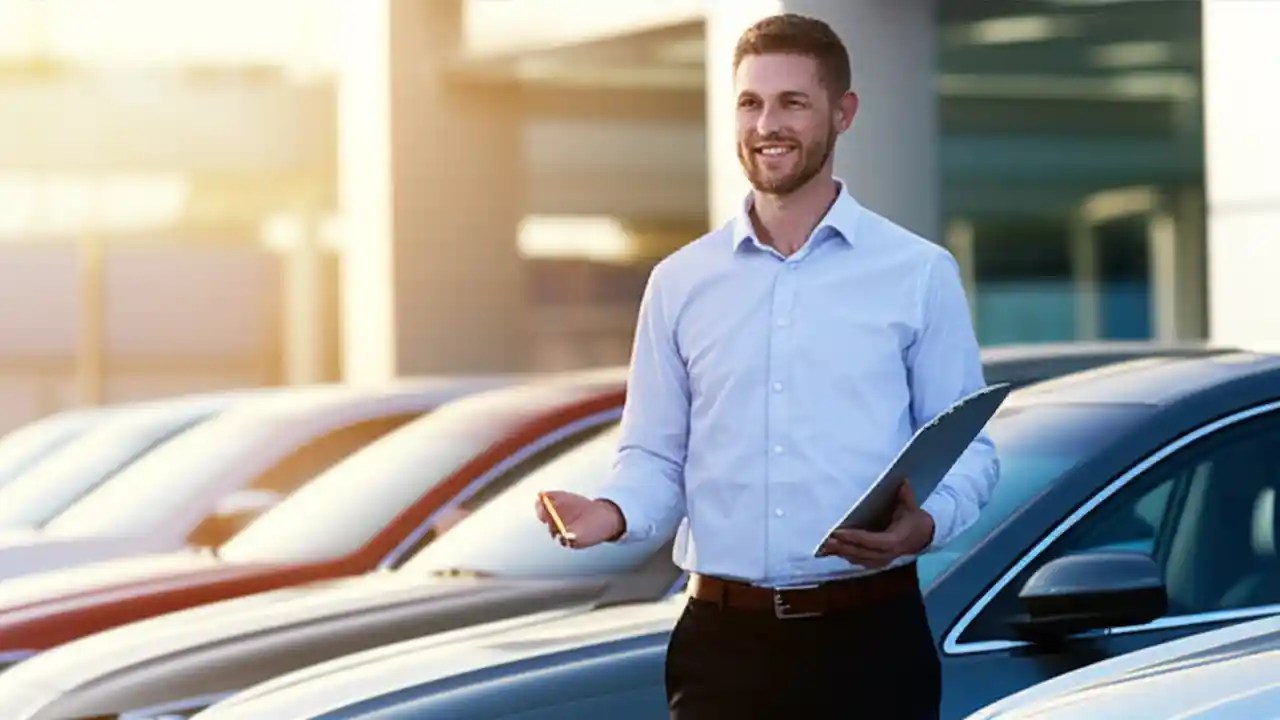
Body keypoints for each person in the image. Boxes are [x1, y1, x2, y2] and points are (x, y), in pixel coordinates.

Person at [535, 12, 998, 719]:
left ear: (843, 113)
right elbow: (655, 458)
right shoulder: (680, 283)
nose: (766, 124)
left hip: (870, 647)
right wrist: (611, 512)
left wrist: (925, 524)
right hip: (722, 651)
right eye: (750, 102)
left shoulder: (917, 274)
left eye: (792, 102)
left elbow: (969, 450)